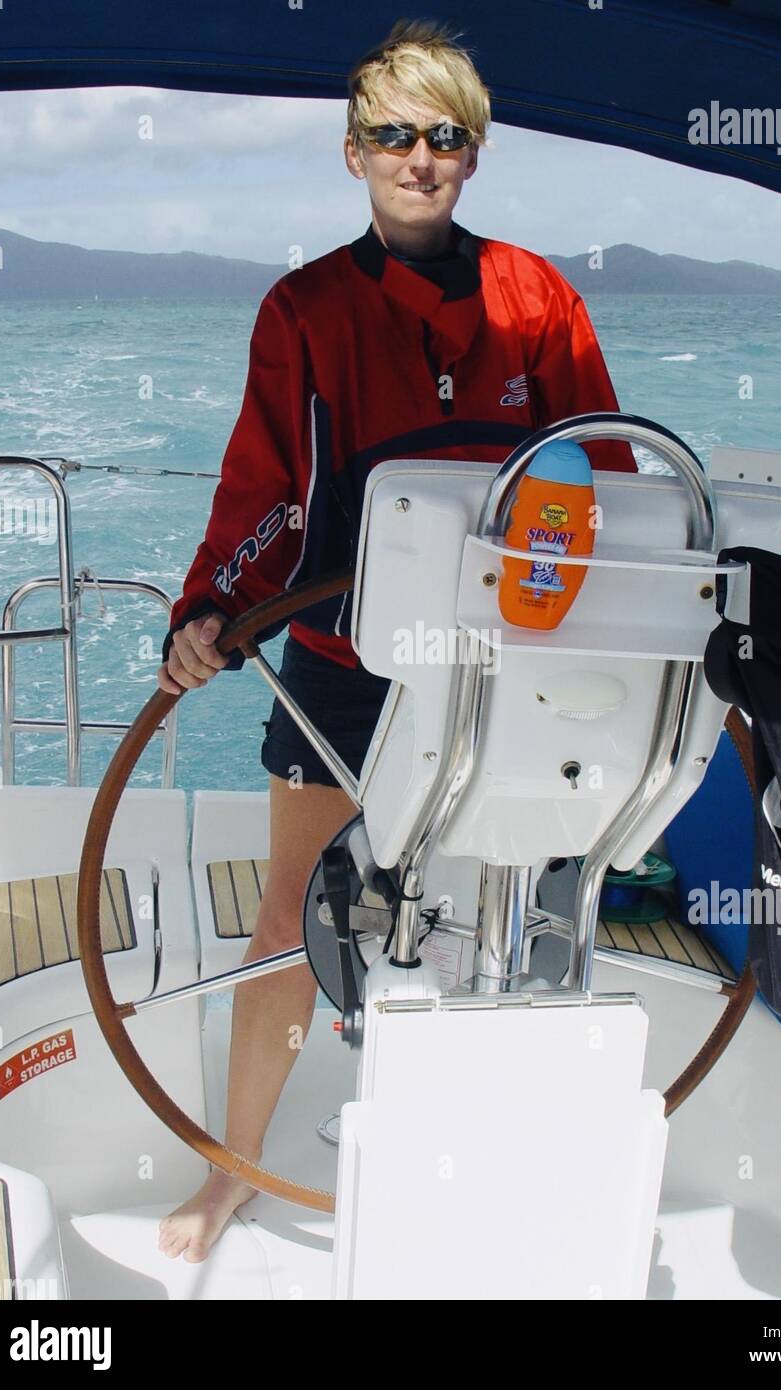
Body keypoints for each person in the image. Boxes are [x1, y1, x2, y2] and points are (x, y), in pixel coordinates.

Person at [156, 17, 636, 1263]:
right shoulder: (304, 309)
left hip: (504, 682)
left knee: (512, 922)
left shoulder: (539, 299)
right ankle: (234, 1171)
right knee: (283, 926)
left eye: (442, 137)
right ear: (352, 152)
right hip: (336, 671)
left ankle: (498, 1179)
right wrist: (208, 604)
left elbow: (609, 483)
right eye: (391, 135)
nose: (416, 158)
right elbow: (266, 485)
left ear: (471, 154)